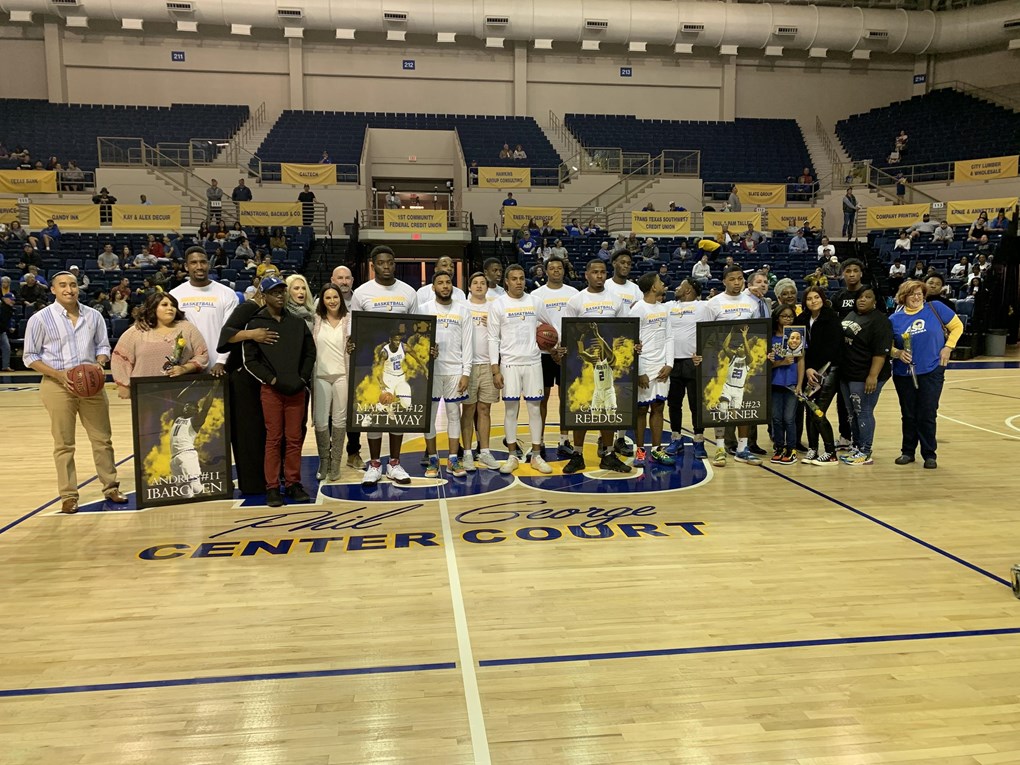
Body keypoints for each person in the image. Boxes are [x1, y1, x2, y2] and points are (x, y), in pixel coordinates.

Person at [23, 272, 129, 513]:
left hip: (91, 385)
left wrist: (99, 363)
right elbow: (30, 356)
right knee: (64, 443)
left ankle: (111, 487)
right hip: (57, 384)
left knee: (102, 439)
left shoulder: (93, 315)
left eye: (72, 285)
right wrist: (61, 375)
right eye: (62, 285)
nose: (68, 289)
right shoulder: (40, 319)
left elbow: (103, 346)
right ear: (53, 290)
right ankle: (68, 495)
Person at [243, 276, 316, 506]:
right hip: (271, 391)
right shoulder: (255, 324)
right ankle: (272, 487)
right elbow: (250, 360)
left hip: (296, 390)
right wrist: (272, 380)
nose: (280, 295)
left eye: (282, 291)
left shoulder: (297, 323)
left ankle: (293, 483)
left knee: (294, 439)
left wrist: (302, 379)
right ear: (264, 296)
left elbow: (309, 353)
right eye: (274, 292)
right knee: (274, 439)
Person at [350, 246, 419, 485]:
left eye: (390, 262)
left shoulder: (408, 292)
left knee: (397, 413)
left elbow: (415, 330)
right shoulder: (362, 293)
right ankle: (375, 464)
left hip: (399, 367)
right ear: (373, 265)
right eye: (381, 263)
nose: (386, 267)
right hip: (373, 363)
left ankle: (395, 464)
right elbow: (355, 330)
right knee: (376, 413)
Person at [561, 259, 631, 474]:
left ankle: (609, 454)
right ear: (586, 275)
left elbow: (625, 331)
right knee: (581, 410)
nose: (599, 276)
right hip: (582, 367)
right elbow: (568, 333)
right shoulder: (576, 300)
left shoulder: (616, 300)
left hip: (609, 363)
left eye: (602, 272)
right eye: (595, 272)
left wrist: (633, 345)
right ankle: (578, 454)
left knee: (608, 414)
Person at [888, 280, 963, 470]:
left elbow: (957, 326)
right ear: (903, 297)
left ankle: (929, 454)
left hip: (931, 370)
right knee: (909, 414)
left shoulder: (935, 308)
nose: (916, 297)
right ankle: (907, 452)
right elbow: (886, 345)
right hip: (903, 373)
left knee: (927, 413)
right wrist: (897, 353)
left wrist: (948, 347)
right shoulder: (893, 320)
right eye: (912, 294)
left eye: (919, 293)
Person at [488, 264, 553, 474]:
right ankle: (512, 456)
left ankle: (536, 455)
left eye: (522, 278)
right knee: (511, 410)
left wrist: (552, 343)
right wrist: (495, 369)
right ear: (506, 281)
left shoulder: (536, 302)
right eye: (514, 278)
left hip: (533, 362)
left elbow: (550, 328)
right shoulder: (498, 304)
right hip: (509, 363)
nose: (519, 282)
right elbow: (492, 338)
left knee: (535, 409)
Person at [700, 265, 764, 467]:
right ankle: (720, 447)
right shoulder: (713, 303)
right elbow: (705, 334)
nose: (737, 282)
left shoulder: (751, 303)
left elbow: (758, 332)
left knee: (742, 407)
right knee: (722, 407)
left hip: (743, 360)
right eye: (732, 279)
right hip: (719, 361)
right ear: (724, 281)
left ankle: (743, 449)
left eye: (740, 279)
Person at [217, 286, 275, 495]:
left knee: (264, 431)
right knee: (247, 432)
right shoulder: (248, 307)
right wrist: (253, 334)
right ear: (261, 292)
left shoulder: (276, 312)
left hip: (262, 378)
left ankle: (269, 479)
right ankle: (251, 483)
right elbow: (225, 337)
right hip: (242, 378)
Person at [420, 273, 473, 478]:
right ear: (433, 287)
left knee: (453, 416)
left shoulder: (463, 310)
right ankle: (433, 460)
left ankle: (452, 459)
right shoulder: (424, 310)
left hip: (454, 371)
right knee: (429, 418)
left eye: (448, 282)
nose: (445, 286)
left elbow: (468, 344)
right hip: (430, 372)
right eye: (440, 283)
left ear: (453, 286)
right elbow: (416, 342)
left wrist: (466, 372)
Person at [111, 293, 208, 398]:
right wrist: (123, 385)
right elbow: (120, 359)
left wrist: (185, 368)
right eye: (164, 305)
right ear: (153, 308)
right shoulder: (137, 331)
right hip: (145, 392)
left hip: (180, 391)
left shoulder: (187, 328)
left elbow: (203, 355)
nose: (170, 308)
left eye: (173, 305)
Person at [838, 287, 893, 466]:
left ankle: (866, 451)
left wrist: (873, 376)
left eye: (868, 297)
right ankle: (857, 445)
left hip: (865, 375)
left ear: (875, 301)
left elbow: (880, 353)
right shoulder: (852, 315)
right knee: (852, 413)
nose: (862, 300)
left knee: (864, 412)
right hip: (848, 373)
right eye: (860, 297)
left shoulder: (880, 321)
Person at [531, 255, 579, 459]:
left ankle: (563, 440)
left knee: (565, 400)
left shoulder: (574, 294)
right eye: (552, 268)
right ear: (546, 271)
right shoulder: (536, 295)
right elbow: (533, 325)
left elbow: (579, 323)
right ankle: (538, 441)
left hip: (568, 352)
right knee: (541, 398)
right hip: (543, 353)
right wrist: (550, 348)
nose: (556, 271)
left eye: (560, 268)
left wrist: (565, 347)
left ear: (563, 271)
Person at [628, 272, 675, 467]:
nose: (663, 284)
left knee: (659, 408)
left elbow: (669, 337)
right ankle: (639, 451)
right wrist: (639, 371)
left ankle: (657, 450)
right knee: (641, 410)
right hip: (645, 366)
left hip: (661, 367)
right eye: (660, 281)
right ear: (653, 287)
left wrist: (670, 364)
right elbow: (632, 342)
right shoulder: (638, 309)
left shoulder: (664, 309)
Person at [170, 247, 238, 377]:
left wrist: (221, 361)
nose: (199, 266)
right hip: (187, 366)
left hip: (220, 366)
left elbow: (231, 330)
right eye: (194, 263)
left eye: (203, 262)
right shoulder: (174, 295)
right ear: (186, 266)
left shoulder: (227, 294)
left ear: (209, 264)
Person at [663, 278, 709, 459]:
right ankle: (676, 438)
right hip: (672, 361)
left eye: (681, 285)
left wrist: (705, 353)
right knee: (674, 403)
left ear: (689, 289)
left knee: (696, 403)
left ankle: (699, 440)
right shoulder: (668, 306)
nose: (677, 288)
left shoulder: (703, 307)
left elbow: (712, 331)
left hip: (693, 361)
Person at [796, 286, 842, 465]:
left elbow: (832, 348)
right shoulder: (802, 319)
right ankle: (813, 449)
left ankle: (830, 452)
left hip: (829, 370)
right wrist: (807, 368)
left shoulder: (831, 318)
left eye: (816, 297)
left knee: (818, 411)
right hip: (810, 372)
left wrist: (813, 368)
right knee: (809, 409)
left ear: (823, 298)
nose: (813, 301)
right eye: (809, 298)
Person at [461, 272, 501, 471]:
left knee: (485, 410)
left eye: (482, 283)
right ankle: (467, 453)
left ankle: (484, 451)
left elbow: (503, 333)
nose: (478, 286)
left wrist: (495, 326)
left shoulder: (495, 307)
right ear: (469, 287)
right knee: (468, 410)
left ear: (487, 287)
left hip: (488, 365)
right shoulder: (462, 307)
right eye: (475, 283)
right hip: (468, 365)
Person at [311, 284, 349, 483]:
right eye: (328, 298)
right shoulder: (316, 320)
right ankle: (323, 461)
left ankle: (336, 463)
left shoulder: (349, 320)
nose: (332, 300)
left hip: (343, 374)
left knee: (340, 421)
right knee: (320, 421)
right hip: (320, 376)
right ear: (322, 301)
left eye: (335, 297)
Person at [768, 305, 804, 464]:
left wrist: (800, 384)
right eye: (784, 316)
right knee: (776, 418)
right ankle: (779, 446)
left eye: (790, 316)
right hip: (774, 383)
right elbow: (766, 365)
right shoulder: (770, 338)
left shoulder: (797, 336)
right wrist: (780, 362)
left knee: (789, 418)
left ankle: (791, 448)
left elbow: (802, 361)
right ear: (777, 318)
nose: (788, 319)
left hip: (791, 383)